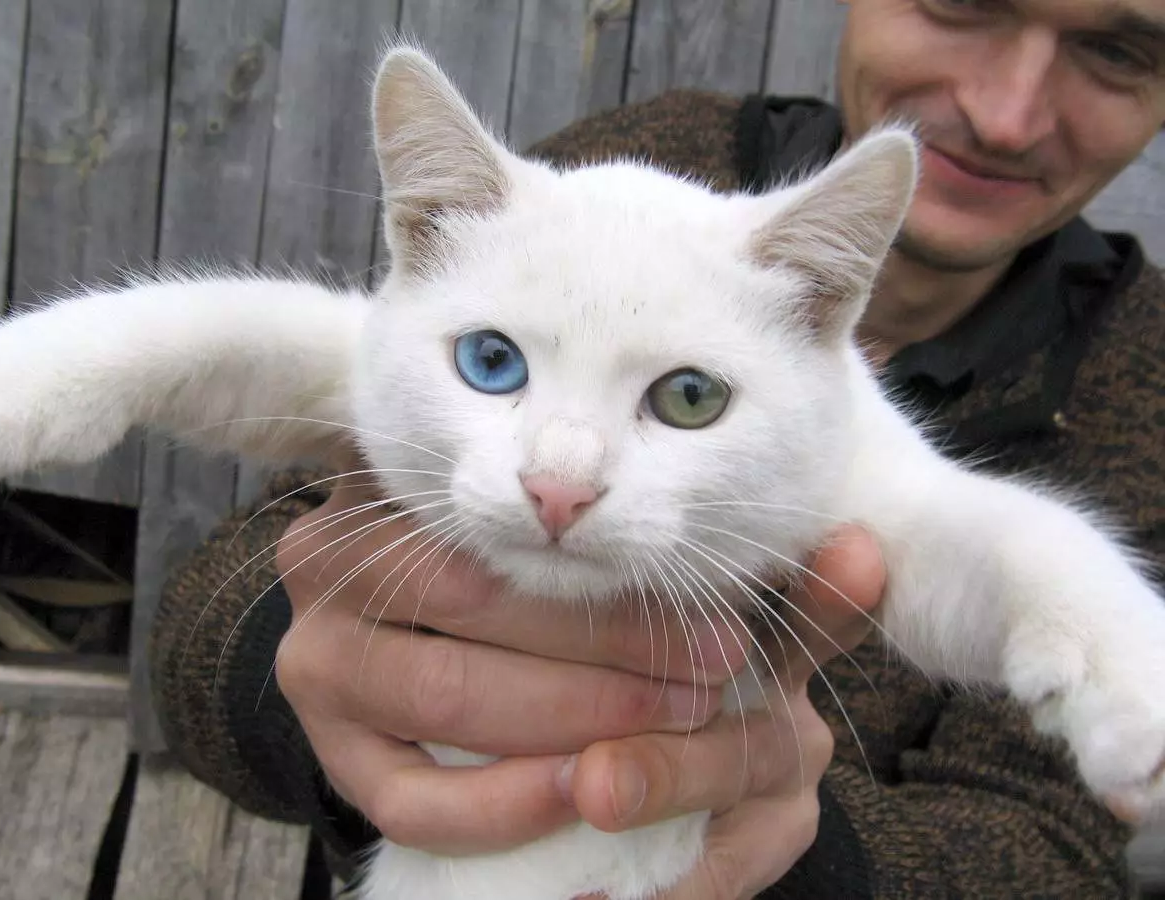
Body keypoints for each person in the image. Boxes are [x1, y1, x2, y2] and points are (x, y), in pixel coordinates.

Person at [149, 1, 1165, 896]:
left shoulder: (1144, 389)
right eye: (967, 2)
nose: (1008, 110)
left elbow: (1055, 848)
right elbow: (210, 611)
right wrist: (308, 677)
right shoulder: (595, 185)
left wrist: (754, 851)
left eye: (1118, 49)